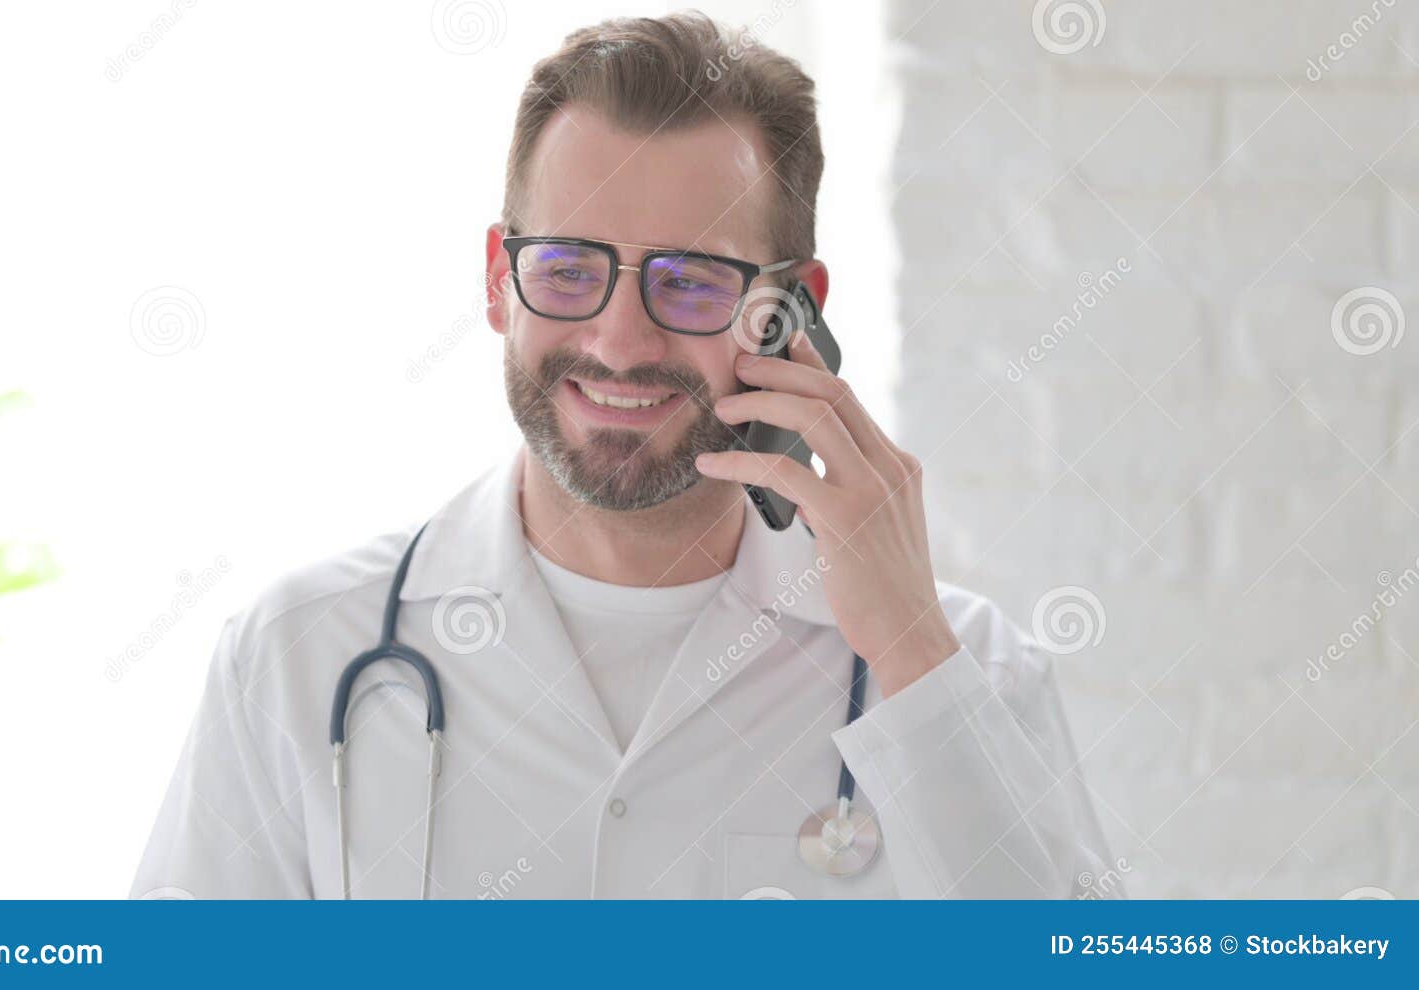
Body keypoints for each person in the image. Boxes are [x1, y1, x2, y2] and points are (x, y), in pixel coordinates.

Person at [131, 11, 1117, 900]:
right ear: (496, 282)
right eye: (566, 269)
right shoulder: (299, 656)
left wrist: (908, 647)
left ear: (790, 307)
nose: (620, 343)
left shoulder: (959, 667)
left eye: (690, 284)